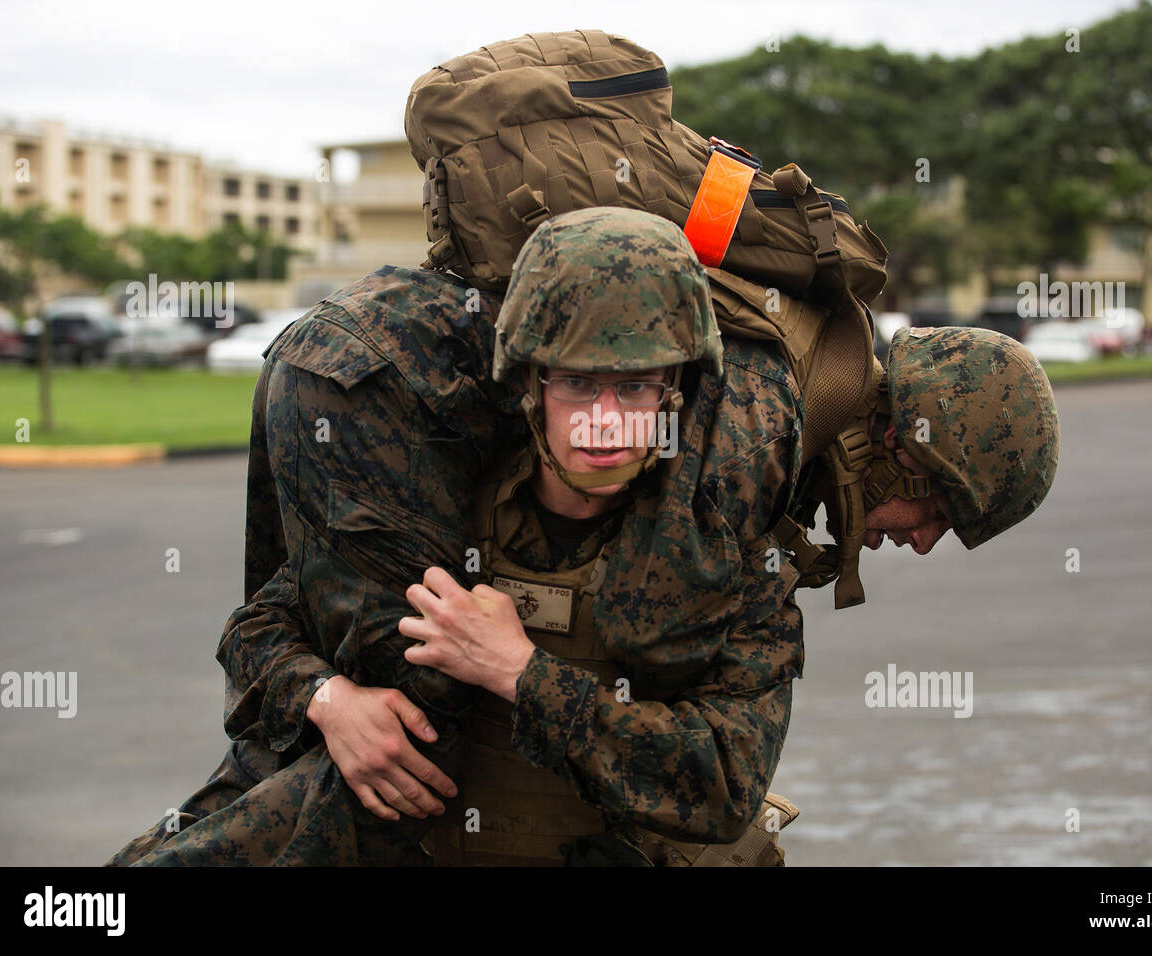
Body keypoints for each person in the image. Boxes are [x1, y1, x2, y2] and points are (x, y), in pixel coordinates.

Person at [107, 206, 807, 865]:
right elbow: (256, 629)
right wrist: (330, 700)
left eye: (634, 388)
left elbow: (722, 782)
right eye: (578, 385)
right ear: (529, 384)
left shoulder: (719, 550)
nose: (605, 420)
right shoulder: (445, 510)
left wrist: (519, 672)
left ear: (674, 392)